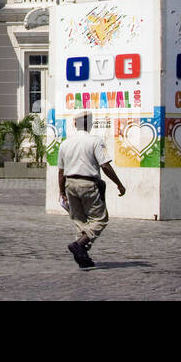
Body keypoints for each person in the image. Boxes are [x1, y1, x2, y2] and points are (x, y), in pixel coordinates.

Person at [57, 112, 127, 268]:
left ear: (75, 124)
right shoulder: (95, 141)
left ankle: (83, 257)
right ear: (90, 124)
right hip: (88, 184)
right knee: (100, 219)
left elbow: (61, 172)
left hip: (70, 184)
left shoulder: (65, 143)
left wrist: (61, 192)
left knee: (80, 221)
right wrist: (119, 184)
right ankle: (79, 245)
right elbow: (105, 165)